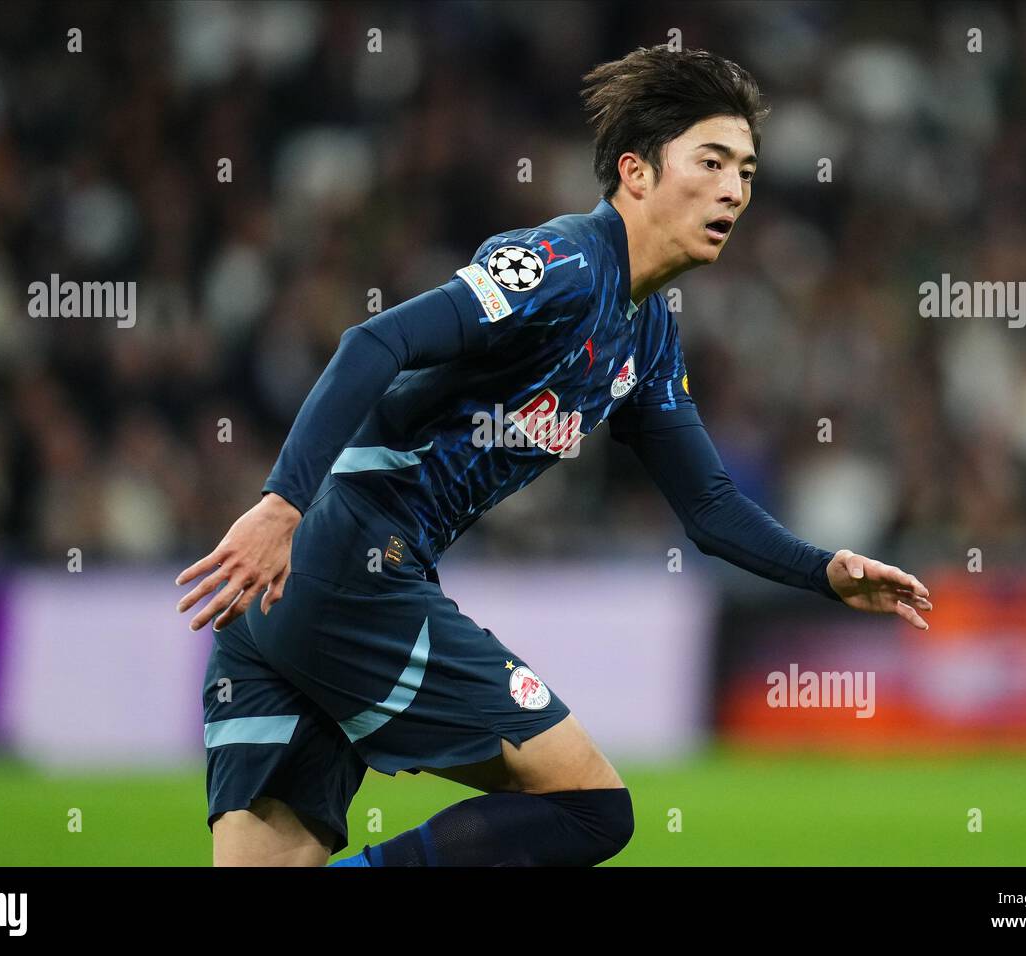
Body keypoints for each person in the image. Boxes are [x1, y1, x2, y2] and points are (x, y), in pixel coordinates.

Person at [175, 45, 931, 867]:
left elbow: (708, 508)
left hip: (295, 591)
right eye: (711, 162)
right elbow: (376, 340)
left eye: (746, 171)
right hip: (346, 563)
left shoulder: (646, 333)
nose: (733, 190)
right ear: (636, 173)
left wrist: (824, 572)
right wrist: (280, 504)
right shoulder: (559, 266)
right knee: (591, 809)